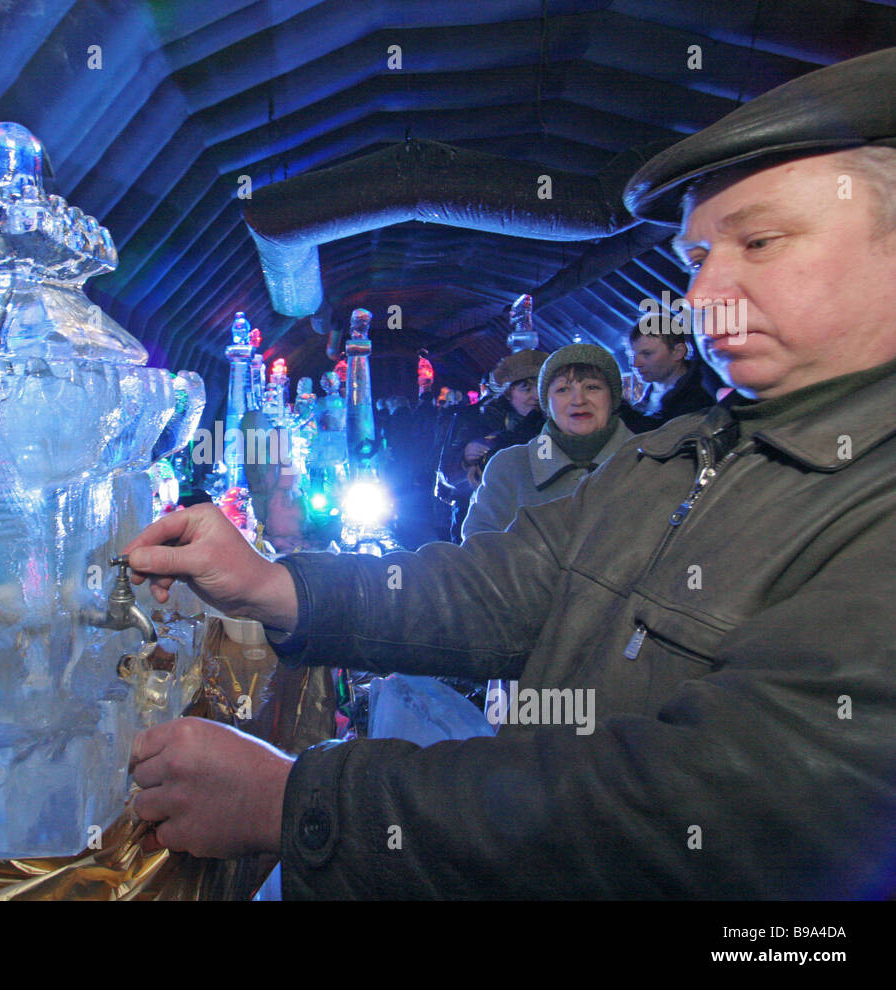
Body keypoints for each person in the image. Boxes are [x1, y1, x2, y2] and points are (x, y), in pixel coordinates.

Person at [121, 47, 896, 897]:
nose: (704, 297)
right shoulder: (676, 455)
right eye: (697, 257)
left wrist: (294, 800)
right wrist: (278, 588)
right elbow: (502, 585)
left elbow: (706, 810)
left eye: (761, 240)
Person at [461, 344, 635, 540]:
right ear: (546, 403)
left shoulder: (651, 462)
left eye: (592, 387)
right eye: (563, 389)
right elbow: (480, 549)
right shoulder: (509, 467)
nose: (578, 400)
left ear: (612, 397)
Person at [435, 349, 547, 540]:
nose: (536, 396)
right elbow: (445, 474)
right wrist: (464, 458)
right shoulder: (472, 418)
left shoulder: (553, 422)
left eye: (541, 388)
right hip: (477, 526)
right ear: (508, 392)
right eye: (526, 388)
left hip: (537, 528)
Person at [625, 322, 716, 427]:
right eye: (631, 356)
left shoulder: (703, 398)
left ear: (678, 352)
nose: (635, 364)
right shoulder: (641, 405)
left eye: (647, 354)